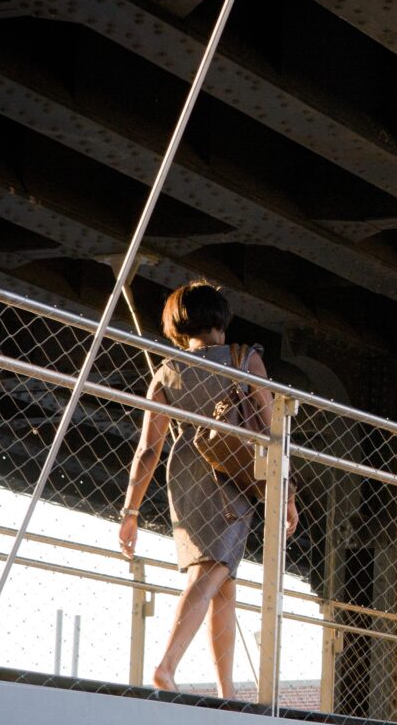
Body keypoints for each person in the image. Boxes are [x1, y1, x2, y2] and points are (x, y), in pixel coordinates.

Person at [114, 281, 296, 695]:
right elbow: (272, 433)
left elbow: (148, 449)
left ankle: (226, 689)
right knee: (214, 569)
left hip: (184, 472)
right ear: (220, 317)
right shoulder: (244, 360)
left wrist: (131, 511)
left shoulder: (165, 371)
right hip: (232, 472)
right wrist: (287, 491)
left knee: (223, 579)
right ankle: (167, 664)